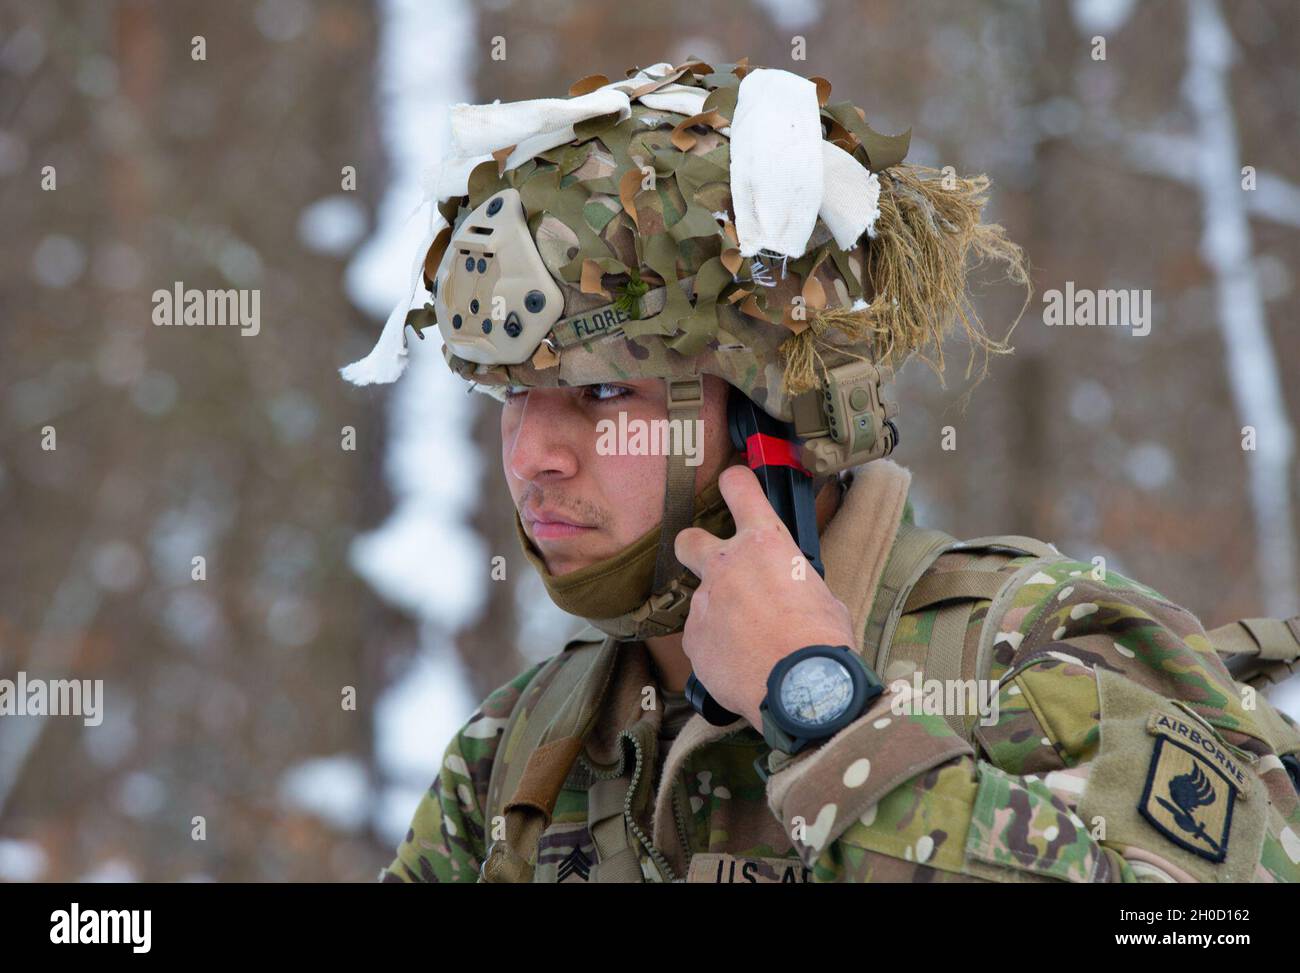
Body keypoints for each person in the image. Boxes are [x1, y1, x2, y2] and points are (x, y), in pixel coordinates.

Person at [343, 58, 1300, 883]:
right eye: (512, 397)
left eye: (603, 397)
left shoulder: (1030, 650)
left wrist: (827, 715)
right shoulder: (519, 751)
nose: (531, 456)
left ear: (773, 415)